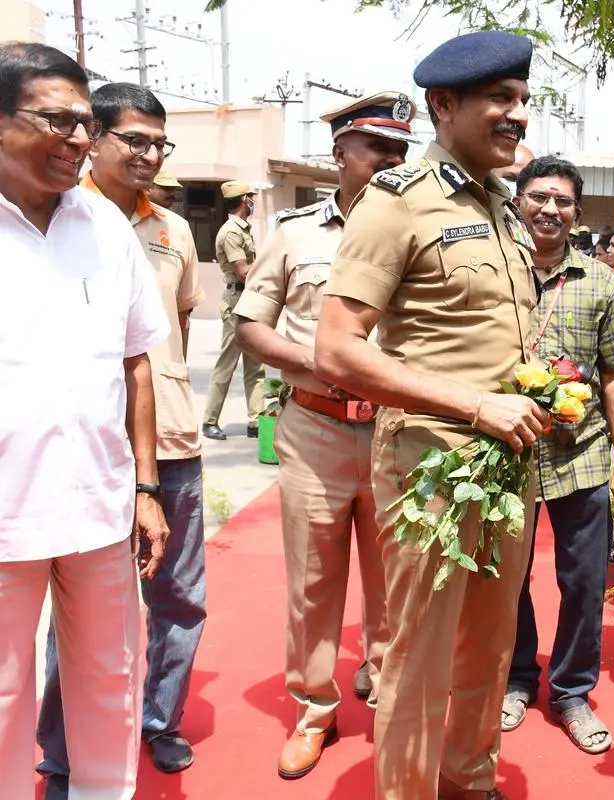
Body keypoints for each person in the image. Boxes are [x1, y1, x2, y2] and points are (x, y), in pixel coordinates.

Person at [314, 31, 546, 800]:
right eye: (498, 101)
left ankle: (468, 780)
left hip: (507, 467)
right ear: (443, 106)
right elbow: (338, 350)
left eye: (520, 99)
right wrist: (477, 403)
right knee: (417, 656)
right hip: (431, 472)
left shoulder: (505, 210)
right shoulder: (397, 202)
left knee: (490, 645)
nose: (516, 116)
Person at [0, 43, 171, 800]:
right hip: (4, 515)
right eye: (57, 120)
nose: (78, 136)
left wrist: (145, 486)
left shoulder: (106, 228)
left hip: (101, 506)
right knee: (1, 697)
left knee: (110, 678)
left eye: (83, 121)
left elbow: (136, 362)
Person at [234, 92, 418, 779]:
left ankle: (386, 684)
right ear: (340, 154)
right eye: (381, 150)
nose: (395, 162)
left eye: (403, 151)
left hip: (396, 434)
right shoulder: (294, 232)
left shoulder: (417, 231)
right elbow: (250, 325)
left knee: (395, 582)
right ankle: (314, 708)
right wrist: (321, 362)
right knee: (314, 585)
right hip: (314, 429)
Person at [34, 82, 206, 791]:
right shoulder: (53, 219)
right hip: (88, 449)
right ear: (92, 137)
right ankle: (61, 744)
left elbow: (178, 328)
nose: (149, 154)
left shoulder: (173, 228)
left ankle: (157, 721)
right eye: (134, 139)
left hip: (173, 440)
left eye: (159, 142)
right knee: (76, 607)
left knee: (180, 597)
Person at [499, 156, 614, 754]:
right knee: (506, 577)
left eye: (561, 201)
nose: (548, 210)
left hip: (579, 453)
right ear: (518, 202)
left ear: (577, 212)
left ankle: (573, 691)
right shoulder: (494, 271)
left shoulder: (603, 283)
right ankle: (515, 679)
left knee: (583, 581)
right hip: (503, 452)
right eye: (538, 197)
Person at [203, 179, 265, 440]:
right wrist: (270, 271)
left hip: (249, 301)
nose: (254, 202)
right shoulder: (231, 232)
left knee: (256, 366)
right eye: (251, 197)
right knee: (227, 365)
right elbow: (243, 273)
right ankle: (209, 421)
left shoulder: (244, 229)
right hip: (237, 301)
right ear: (243, 200)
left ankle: (256, 421)